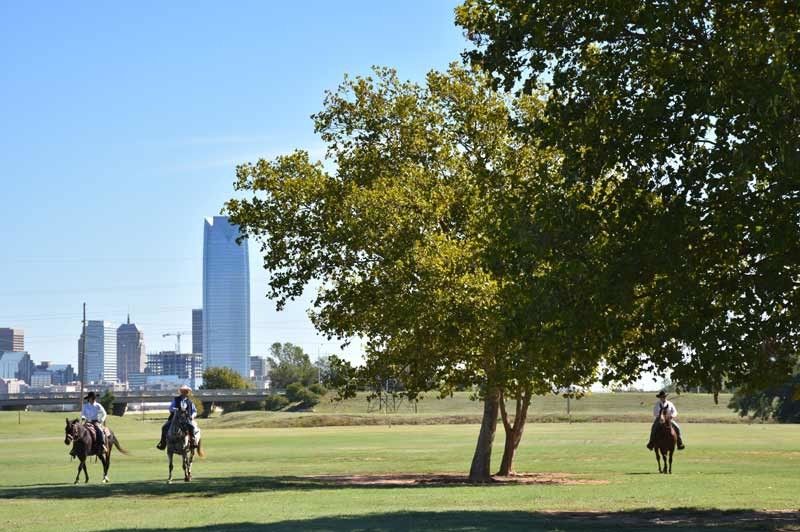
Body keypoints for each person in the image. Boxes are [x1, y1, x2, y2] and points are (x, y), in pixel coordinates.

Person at [156, 384, 199, 450]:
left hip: (186, 419)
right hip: (175, 418)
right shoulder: (176, 400)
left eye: (186, 391)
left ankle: (193, 442)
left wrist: (192, 416)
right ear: (181, 392)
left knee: (192, 427)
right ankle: (163, 443)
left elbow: (194, 411)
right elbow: (170, 408)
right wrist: (176, 409)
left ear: (187, 392)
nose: (184, 392)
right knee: (164, 427)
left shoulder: (190, 402)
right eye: (183, 391)